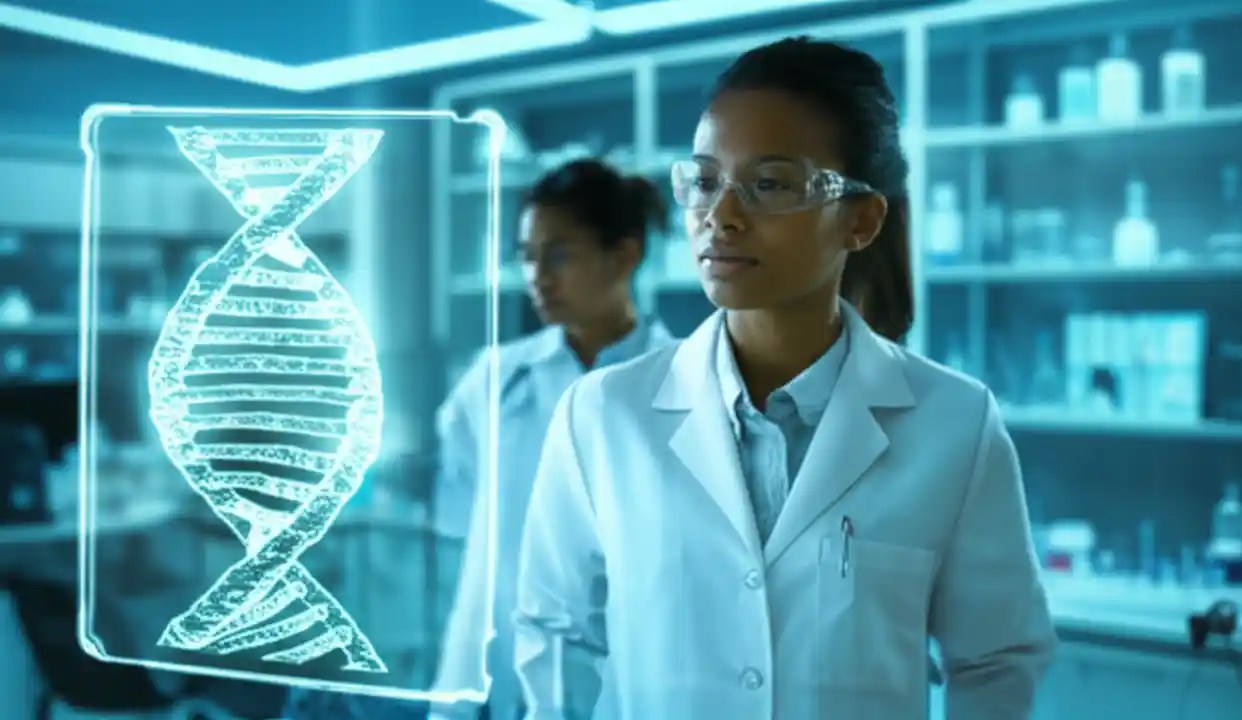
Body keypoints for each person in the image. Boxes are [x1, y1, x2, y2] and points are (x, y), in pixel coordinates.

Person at [513, 37, 1057, 720]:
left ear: (860, 220)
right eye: (704, 181)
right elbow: (560, 637)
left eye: (769, 184)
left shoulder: (954, 423)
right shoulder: (602, 414)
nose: (721, 215)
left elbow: (996, 661)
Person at [282, 158, 674, 720]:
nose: (538, 275)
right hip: (496, 670)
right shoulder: (496, 380)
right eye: (527, 256)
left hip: (634, 672)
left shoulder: (682, 383)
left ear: (624, 255)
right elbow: (459, 518)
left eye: (559, 255)